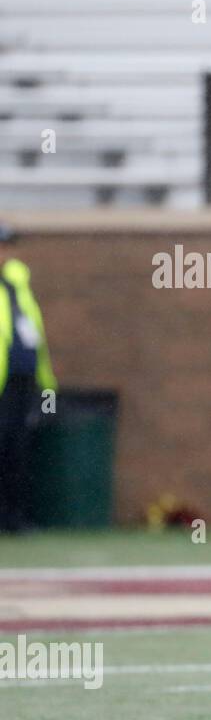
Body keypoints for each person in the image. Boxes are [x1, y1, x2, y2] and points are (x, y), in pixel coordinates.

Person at [0, 224, 56, 533]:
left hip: (24, 382)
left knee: (18, 449)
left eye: (7, 246)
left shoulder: (18, 285)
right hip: (2, 384)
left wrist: (47, 386)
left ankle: (14, 519)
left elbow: (35, 337)